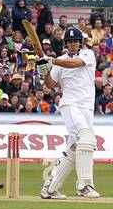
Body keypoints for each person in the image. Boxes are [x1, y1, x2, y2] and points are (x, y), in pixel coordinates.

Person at [39, 27, 100, 199]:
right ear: (66, 44)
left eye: (76, 42)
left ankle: (50, 188)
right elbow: (50, 85)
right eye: (70, 42)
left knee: (75, 147)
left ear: (80, 43)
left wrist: (51, 61)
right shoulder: (59, 60)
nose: (73, 45)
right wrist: (44, 71)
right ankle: (85, 186)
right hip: (70, 104)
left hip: (87, 107)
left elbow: (75, 64)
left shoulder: (88, 55)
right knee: (85, 138)